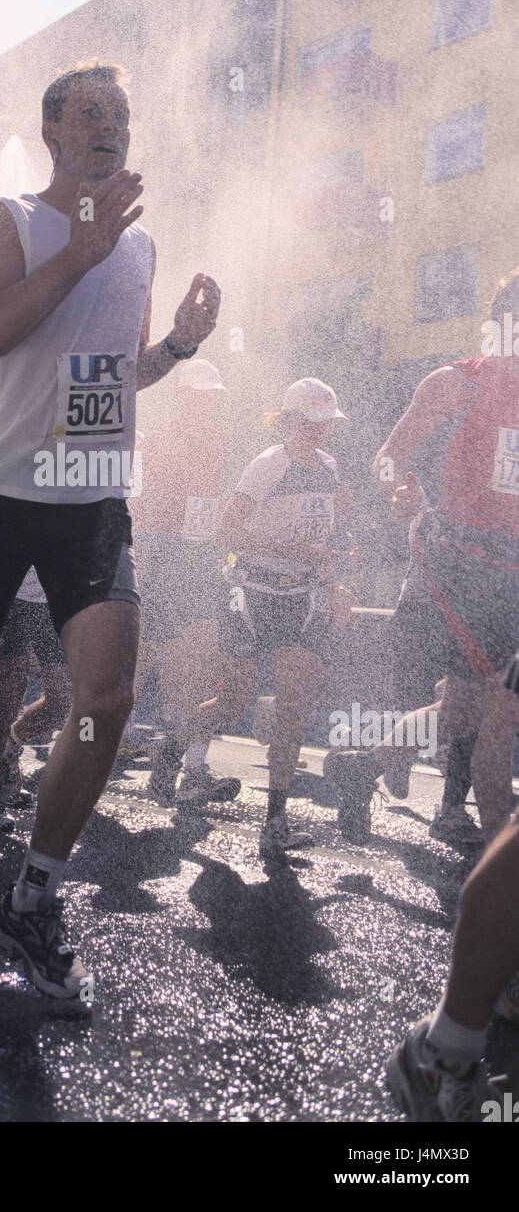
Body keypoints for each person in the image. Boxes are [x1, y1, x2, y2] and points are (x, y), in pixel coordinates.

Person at [0, 60, 220, 999]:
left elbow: (112, 381)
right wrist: (76, 250)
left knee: (106, 698)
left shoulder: (140, 248)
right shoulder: (11, 222)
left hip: (90, 501)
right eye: (89, 113)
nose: (108, 125)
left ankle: (32, 898)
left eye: (120, 112)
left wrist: (182, 347)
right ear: (53, 134)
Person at [327, 269, 519, 848]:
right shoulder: (455, 384)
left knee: (461, 709)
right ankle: (498, 866)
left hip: (513, 570)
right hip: (456, 561)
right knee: (498, 713)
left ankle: (362, 766)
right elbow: (388, 456)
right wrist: (398, 487)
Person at [183, 378, 355, 858]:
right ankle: (175, 753)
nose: (322, 432)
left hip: (299, 597)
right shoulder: (267, 465)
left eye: (328, 424)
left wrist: (334, 570)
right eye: (314, 422)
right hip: (249, 594)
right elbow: (226, 533)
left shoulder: (330, 469)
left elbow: (334, 535)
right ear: (292, 421)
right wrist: (290, 549)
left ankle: (274, 822)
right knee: (233, 702)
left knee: (294, 701)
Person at [387, 652, 519, 1120]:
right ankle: (443, 1050)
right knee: (466, 712)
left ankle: (368, 764)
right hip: (468, 604)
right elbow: (493, 745)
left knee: (467, 711)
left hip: (490, 612)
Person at [131, 358, 239, 806]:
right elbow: (135, 502)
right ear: (180, 397)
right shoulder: (155, 442)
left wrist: (221, 548)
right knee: (137, 667)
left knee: (201, 669)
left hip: (198, 561)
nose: (206, 404)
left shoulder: (219, 443)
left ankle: (188, 768)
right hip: (157, 556)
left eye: (212, 397)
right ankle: (89, 754)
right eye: (198, 396)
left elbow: (217, 502)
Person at [0, 564, 72, 831]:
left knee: (61, 703)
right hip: (8, 596)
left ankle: (9, 749)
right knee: (5, 703)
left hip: (54, 602)